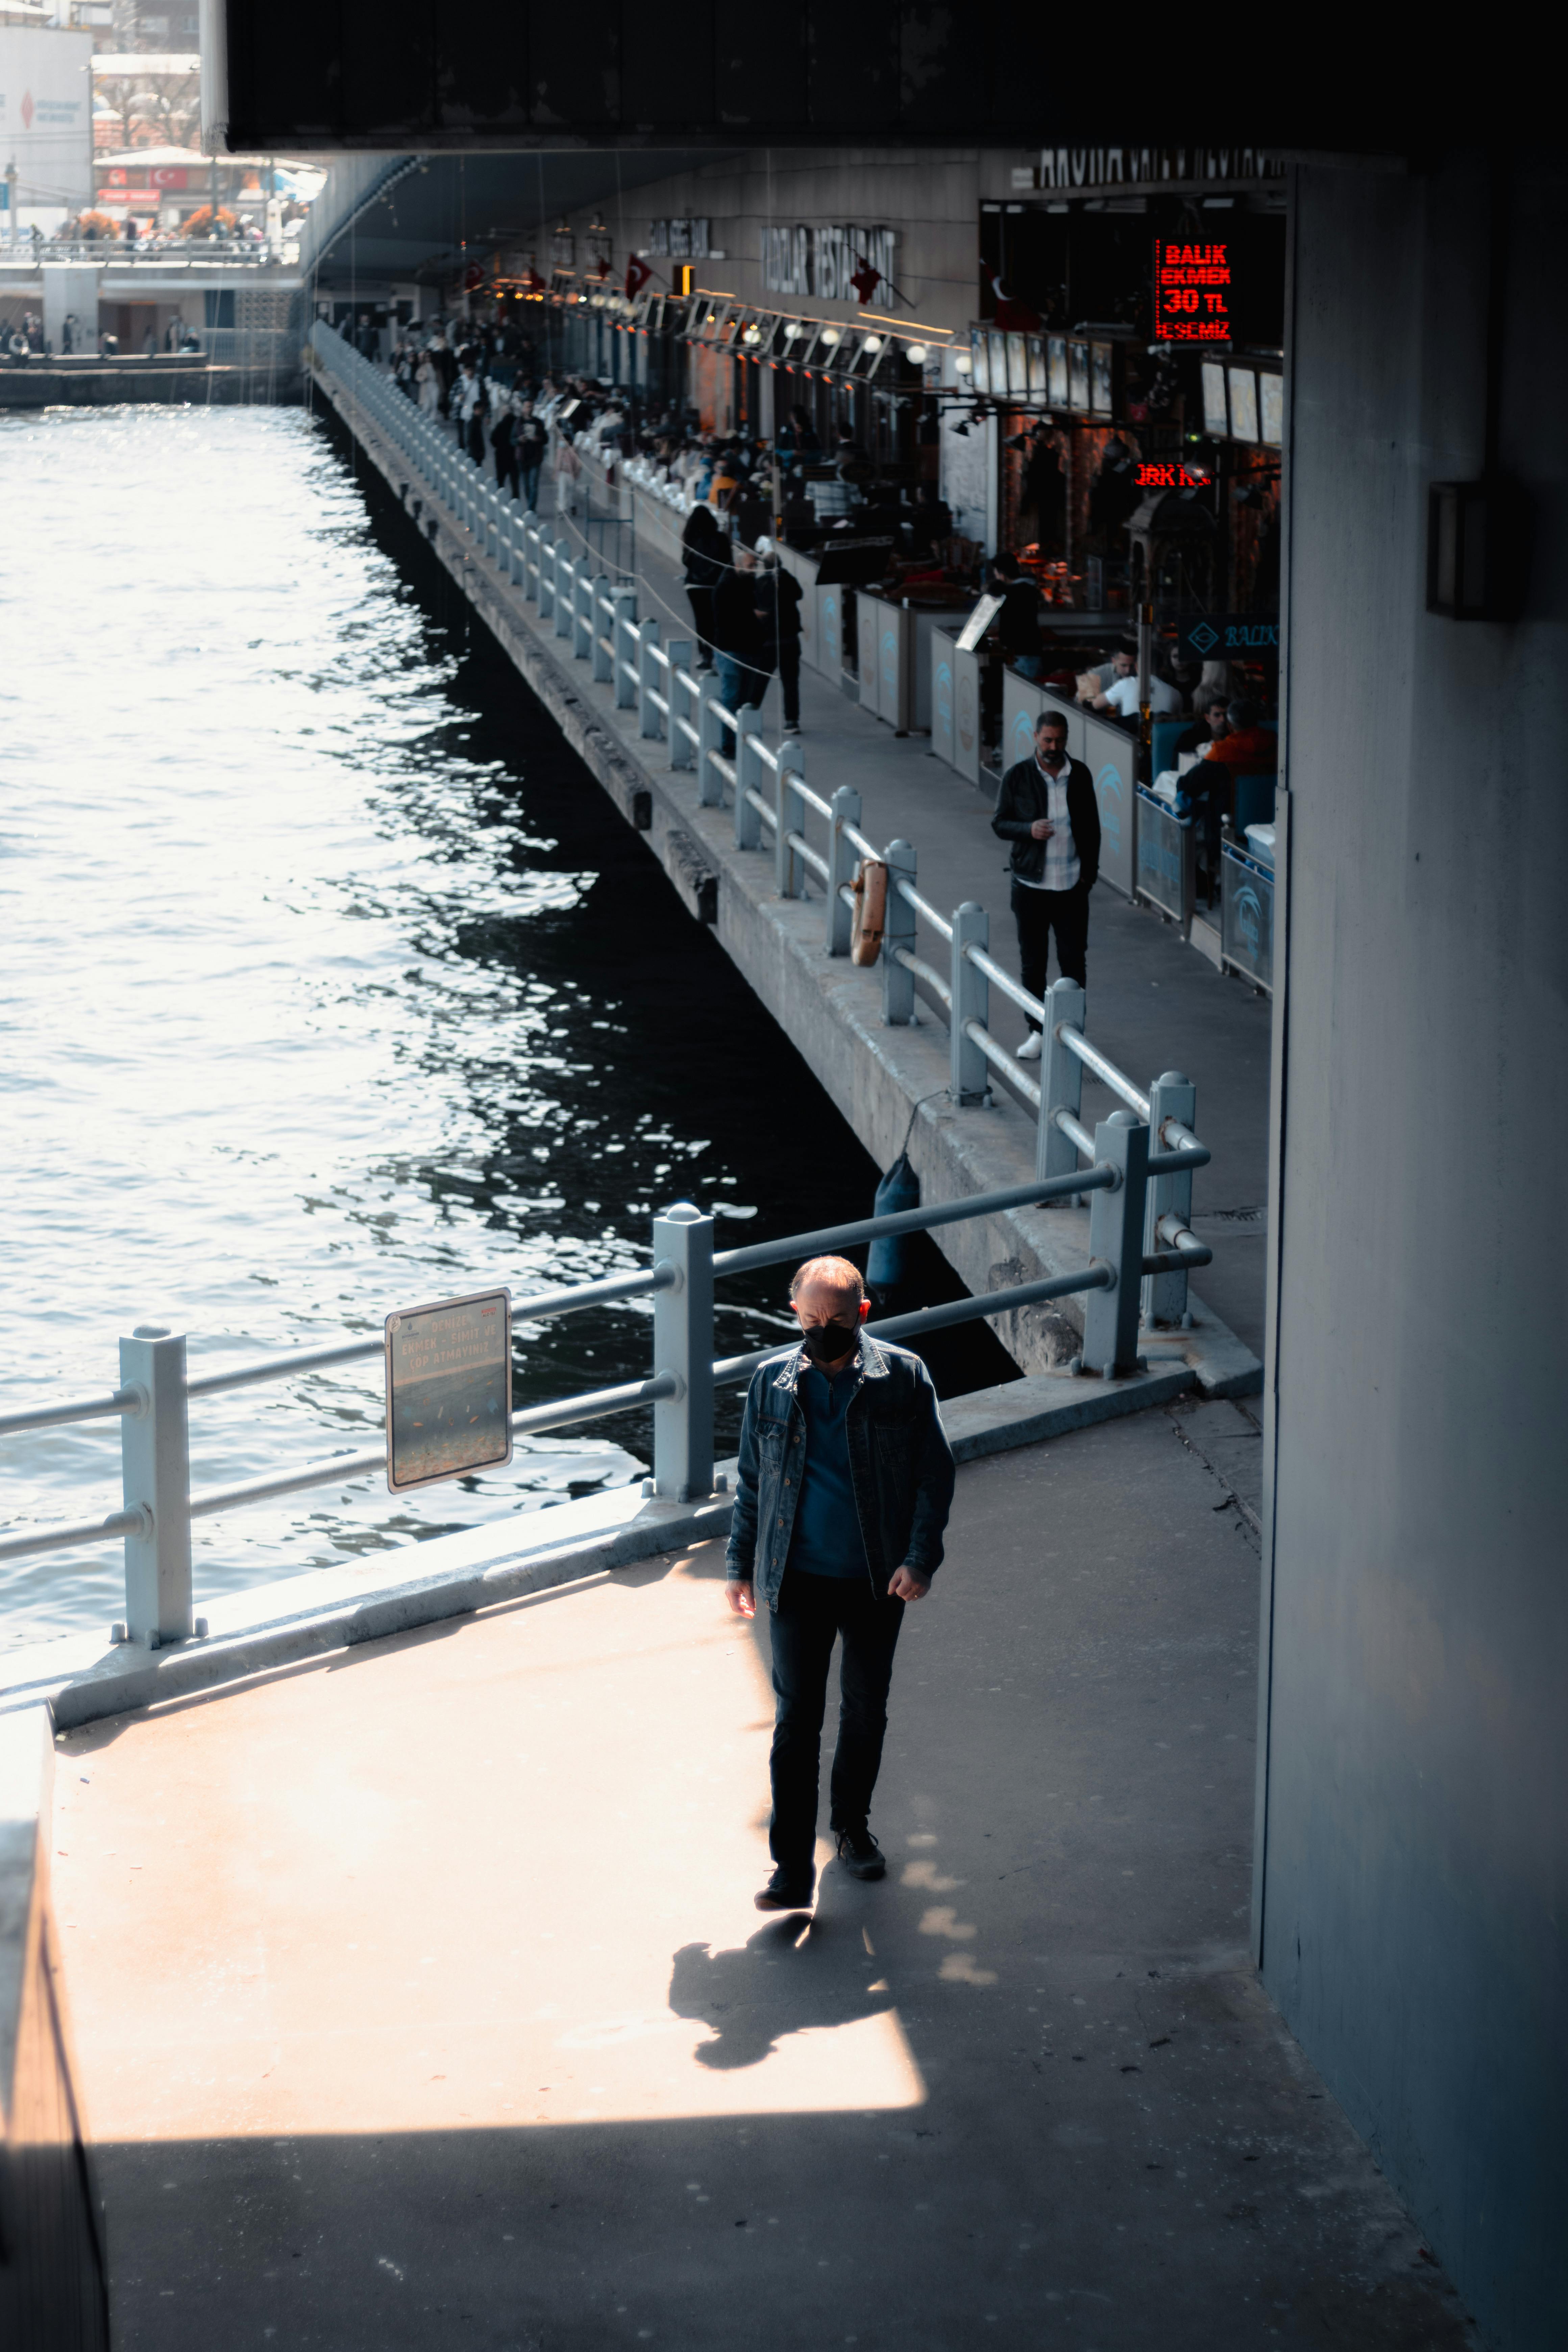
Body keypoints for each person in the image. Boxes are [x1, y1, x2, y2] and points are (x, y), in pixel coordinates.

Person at [726, 1254, 955, 1912]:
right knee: (796, 1722)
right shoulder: (770, 1381)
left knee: (863, 1710)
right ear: (795, 1311)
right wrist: (739, 1567)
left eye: (837, 1321)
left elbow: (932, 1479)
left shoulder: (903, 1379)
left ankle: (852, 1829)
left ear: (862, 1314)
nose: (822, 1331)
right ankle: (790, 1869)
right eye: (810, 1319)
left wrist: (919, 1560)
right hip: (794, 1580)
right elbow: (751, 1485)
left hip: (875, 1582)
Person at [991, 707, 1101, 1059]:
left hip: (1071, 886)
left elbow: (1092, 828)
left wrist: (1088, 875)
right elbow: (999, 823)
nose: (1054, 746)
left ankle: (1071, 1032)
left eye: (1060, 740)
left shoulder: (1079, 774)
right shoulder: (1017, 777)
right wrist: (1028, 830)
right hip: (1030, 886)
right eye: (1047, 740)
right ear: (1035, 738)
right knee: (1032, 962)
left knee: (1073, 961)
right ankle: (1037, 1031)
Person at [712, 545, 771, 744]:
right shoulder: (728, 586)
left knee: (744, 700)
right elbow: (734, 616)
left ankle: (738, 742)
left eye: (756, 566)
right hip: (732, 649)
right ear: (738, 565)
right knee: (733, 698)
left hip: (748, 648)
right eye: (750, 566)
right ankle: (729, 743)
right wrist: (754, 615)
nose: (754, 570)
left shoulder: (747, 582)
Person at [754, 538, 804, 734]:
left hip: (767, 642)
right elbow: (799, 595)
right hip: (790, 640)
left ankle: (751, 712)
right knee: (791, 683)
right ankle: (792, 720)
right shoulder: (789, 580)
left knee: (760, 680)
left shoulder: (760, 583)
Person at [681, 502, 728, 672]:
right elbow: (727, 562)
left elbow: (686, 561)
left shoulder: (691, 538)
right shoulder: (722, 538)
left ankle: (706, 655)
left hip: (695, 586)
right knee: (717, 620)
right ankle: (721, 654)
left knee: (701, 621)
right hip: (716, 585)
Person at [992, 553, 1044, 680]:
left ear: (1002, 575)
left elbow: (1012, 624)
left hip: (1022, 653)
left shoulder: (1013, 593)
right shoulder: (1027, 589)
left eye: (997, 575)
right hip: (1029, 651)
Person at [514, 401, 547, 512]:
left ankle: (531, 509)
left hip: (536, 457)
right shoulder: (518, 423)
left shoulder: (538, 422)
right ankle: (530, 504)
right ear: (523, 408)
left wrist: (539, 439)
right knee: (526, 486)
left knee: (533, 484)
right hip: (523, 458)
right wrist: (519, 440)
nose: (530, 409)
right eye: (528, 407)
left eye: (532, 407)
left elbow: (546, 439)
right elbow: (512, 439)